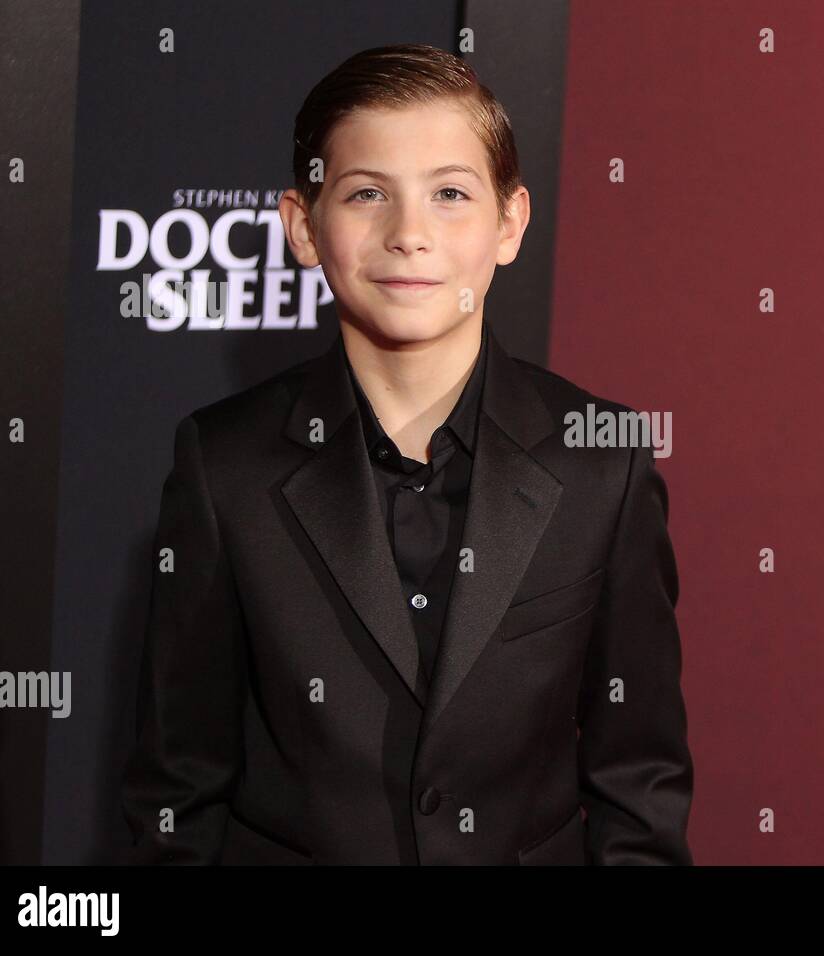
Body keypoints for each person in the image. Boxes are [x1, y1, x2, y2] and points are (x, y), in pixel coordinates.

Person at [119, 43, 693, 865]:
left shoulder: (603, 460)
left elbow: (639, 787)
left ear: (510, 223)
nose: (409, 235)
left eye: (450, 194)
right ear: (303, 226)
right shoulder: (225, 465)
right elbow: (178, 790)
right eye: (366, 194)